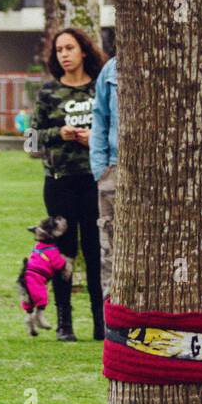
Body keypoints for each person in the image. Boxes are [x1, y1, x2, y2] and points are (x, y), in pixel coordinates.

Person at [29, 28, 106, 341]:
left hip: (94, 181)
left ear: (83, 51)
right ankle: (65, 325)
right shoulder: (48, 93)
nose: (64, 54)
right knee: (63, 254)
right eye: (59, 49)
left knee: (96, 250)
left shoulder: (100, 89)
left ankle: (102, 324)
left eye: (70, 48)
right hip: (60, 183)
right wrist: (57, 134)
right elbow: (31, 140)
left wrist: (94, 138)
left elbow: (116, 128)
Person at [90, 54, 118, 300]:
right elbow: (99, 118)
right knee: (109, 250)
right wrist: (101, 170)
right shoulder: (111, 70)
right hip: (114, 171)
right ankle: (112, 323)